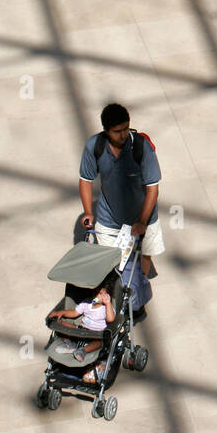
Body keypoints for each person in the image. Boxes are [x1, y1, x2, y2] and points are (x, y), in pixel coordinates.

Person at [78, 104, 162, 323]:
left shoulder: (141, 147)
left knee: (143, 258)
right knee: (111, 264)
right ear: (106, 130)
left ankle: (137, 299)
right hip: (108, 221)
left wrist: (142, 221)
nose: (123, 135)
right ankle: (118, 299)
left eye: (126, 128)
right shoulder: (94, 146)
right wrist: (88, 211)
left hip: (144, 218)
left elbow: (153, 187)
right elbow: (86, 180)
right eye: (117, 131)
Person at [47, 287, 114, 364]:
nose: (96, 296)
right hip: (81, 329)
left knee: (99, 343)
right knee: (62, 324)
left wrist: (108, 303)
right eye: (95, 292)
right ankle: (69, 344)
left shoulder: (106, 308)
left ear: (106, 296)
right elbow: (74, 312)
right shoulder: (87, 303)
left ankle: (82, 351)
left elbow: (110, 319)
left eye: (101, 294)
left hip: (95, 334)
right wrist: (61, 312)